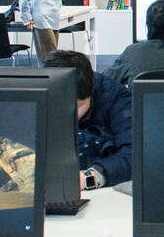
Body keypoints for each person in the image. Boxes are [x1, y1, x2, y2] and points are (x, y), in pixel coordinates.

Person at [43, 49, 133, 188]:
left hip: (100, 189)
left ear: (91, 92)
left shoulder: (117, 99)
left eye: (76, 106)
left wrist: (90, 177)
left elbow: (133, 152)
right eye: (59, 105)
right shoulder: (39, 95)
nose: (67, 115)